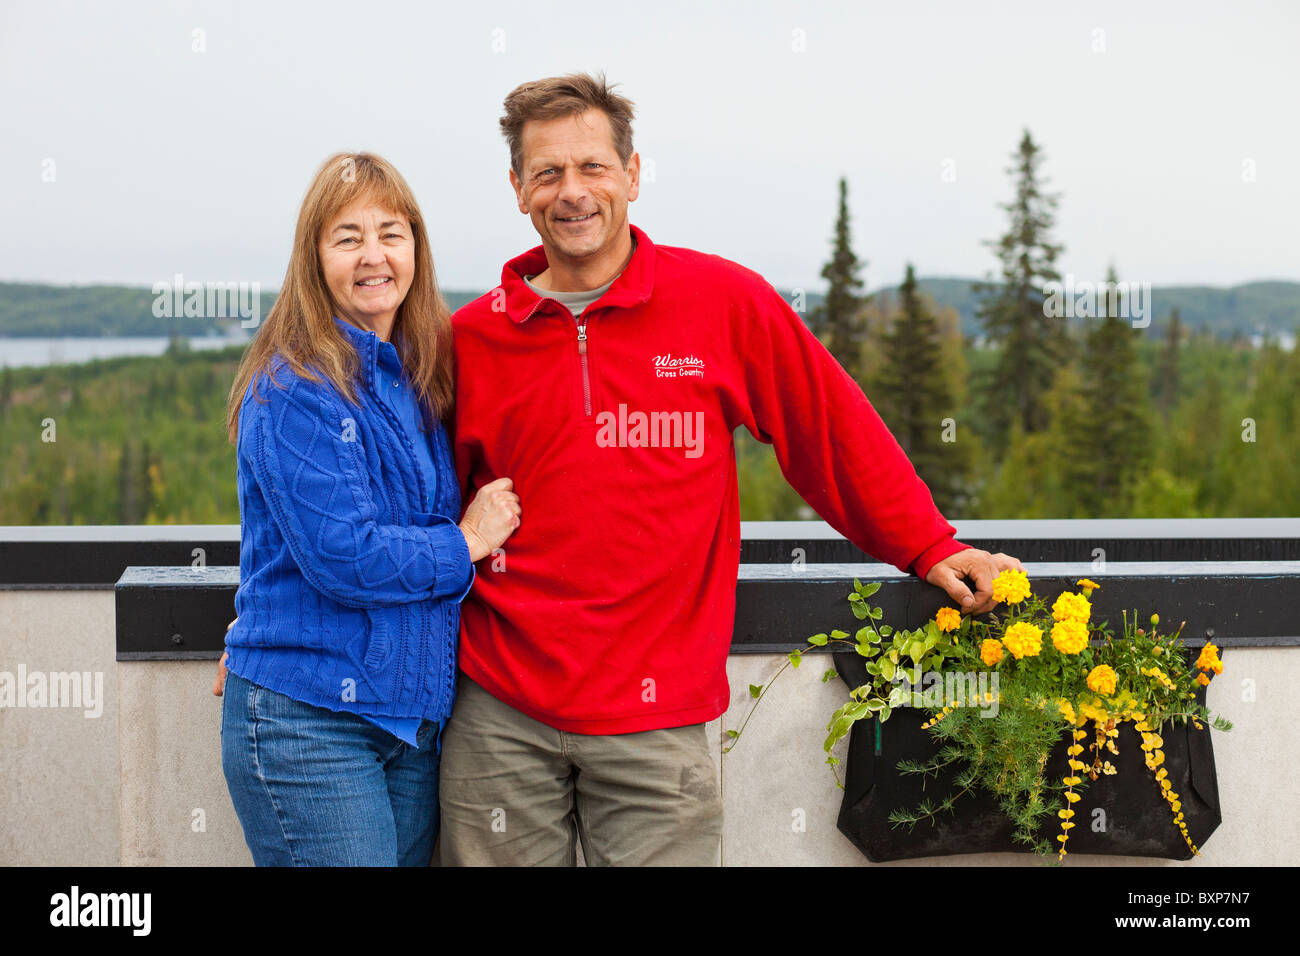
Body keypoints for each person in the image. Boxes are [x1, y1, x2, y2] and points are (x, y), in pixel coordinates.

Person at [439, 73, 1025, 866]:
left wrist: (927, 544)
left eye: (593, 167)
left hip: (659, 715)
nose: (571, 192)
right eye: (547, 172)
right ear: (518, 189)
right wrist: (282, 620)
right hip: (498, 712)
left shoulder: (721, 302)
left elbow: (830, 432)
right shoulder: (469, 340)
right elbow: (401, 502)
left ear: (633, 174)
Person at [215, 151, 520, 866]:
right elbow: (344, 556)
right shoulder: (294, 385)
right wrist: (465, 542)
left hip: (410, 725)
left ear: (416, 246)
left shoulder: (416, 371)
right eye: (347, 237)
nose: (373, 255)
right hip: (311, 721)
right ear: (314, 258)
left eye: (391, 232)